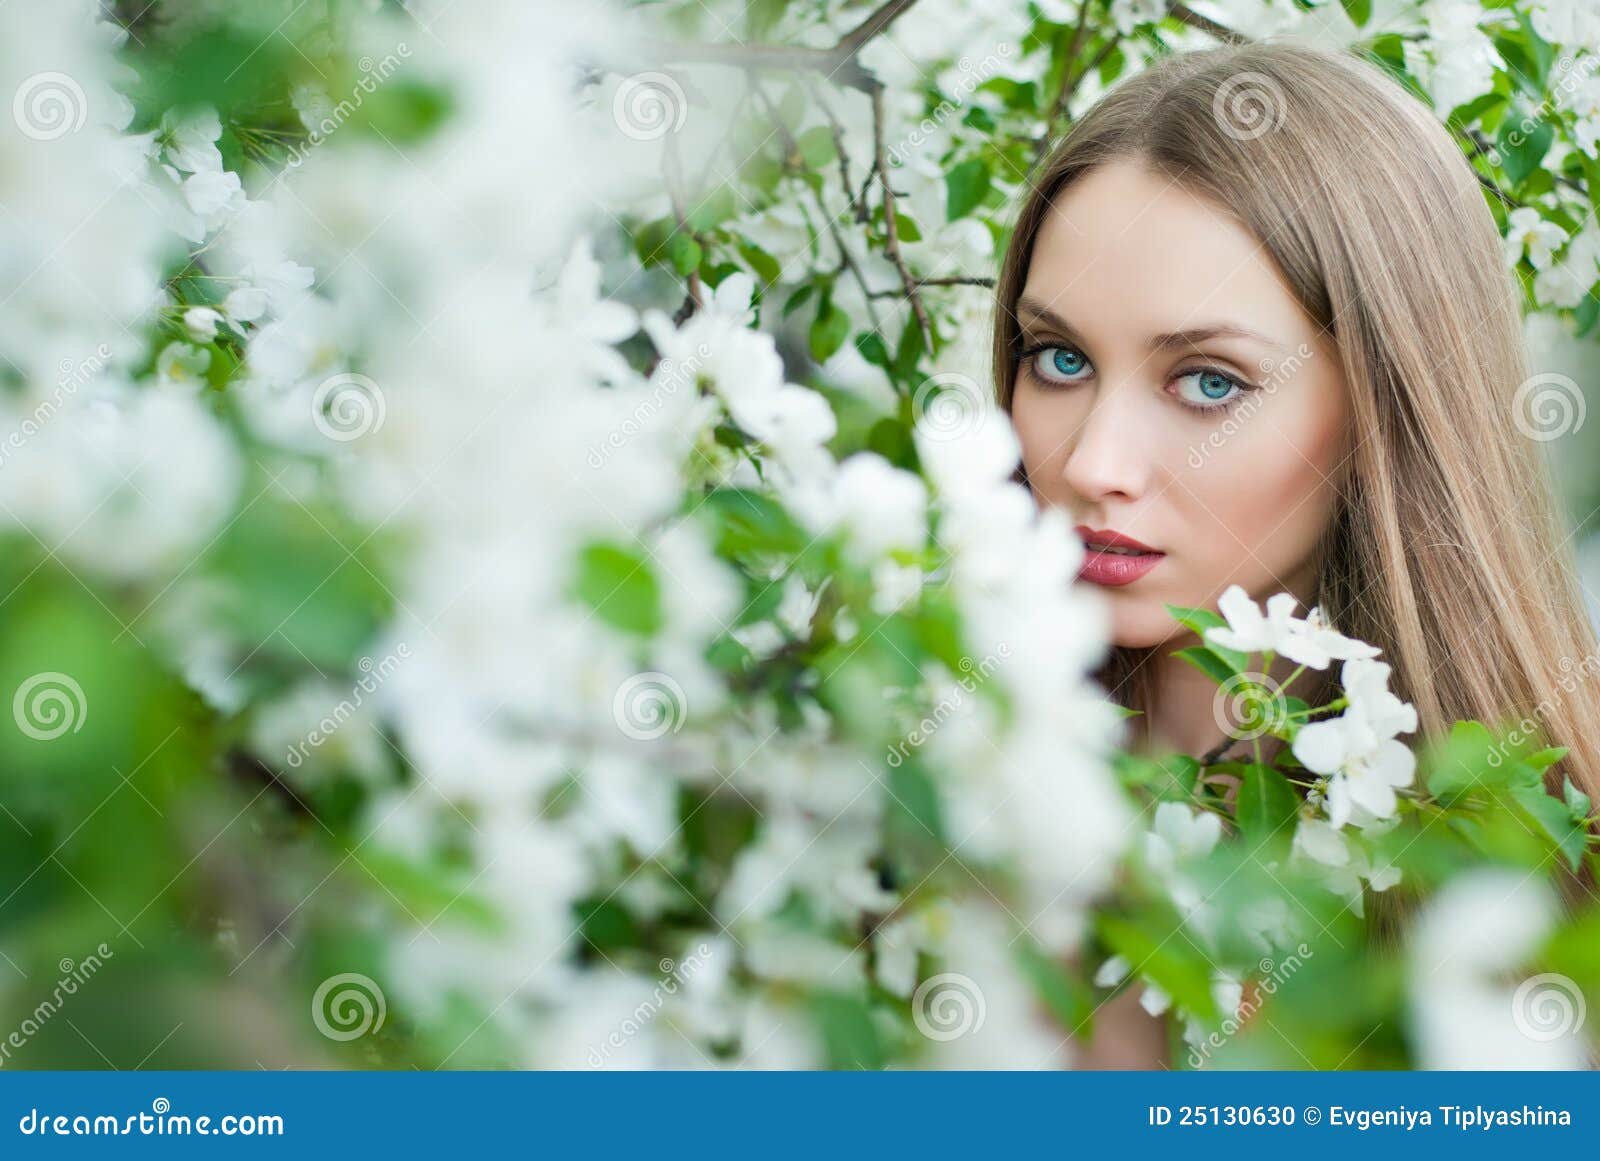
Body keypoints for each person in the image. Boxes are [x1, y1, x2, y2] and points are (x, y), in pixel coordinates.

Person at [991, 38, 1600, 1067]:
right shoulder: (875, 796)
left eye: (1209, 383)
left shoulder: (1548, 876)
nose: (1095, 463)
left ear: (1386, 403)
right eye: (1057, 359)